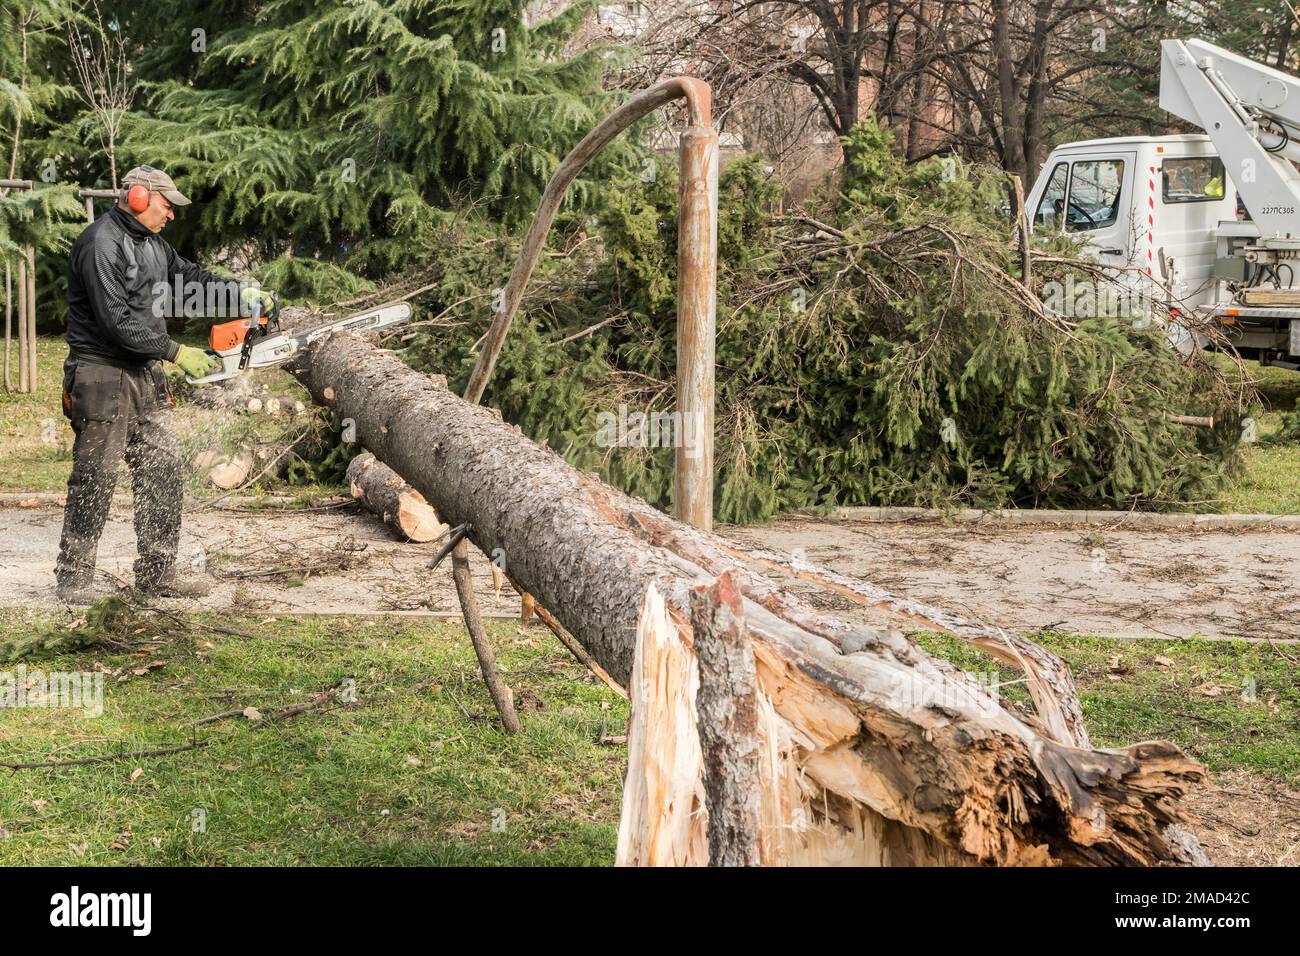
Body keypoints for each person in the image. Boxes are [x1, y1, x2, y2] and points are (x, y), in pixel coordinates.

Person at [55, 164, 276, 604]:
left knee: (162, 470)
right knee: (96, 477)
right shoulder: (102, 244)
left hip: (145, 375)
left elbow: (192, 280)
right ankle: (74, 577)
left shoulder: (153, 244)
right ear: (138, 197)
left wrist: (241, 293)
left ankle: (158, 571)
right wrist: (176, 352)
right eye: (166, 205)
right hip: (102, 374)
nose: (171, 215)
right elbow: (115, 321)